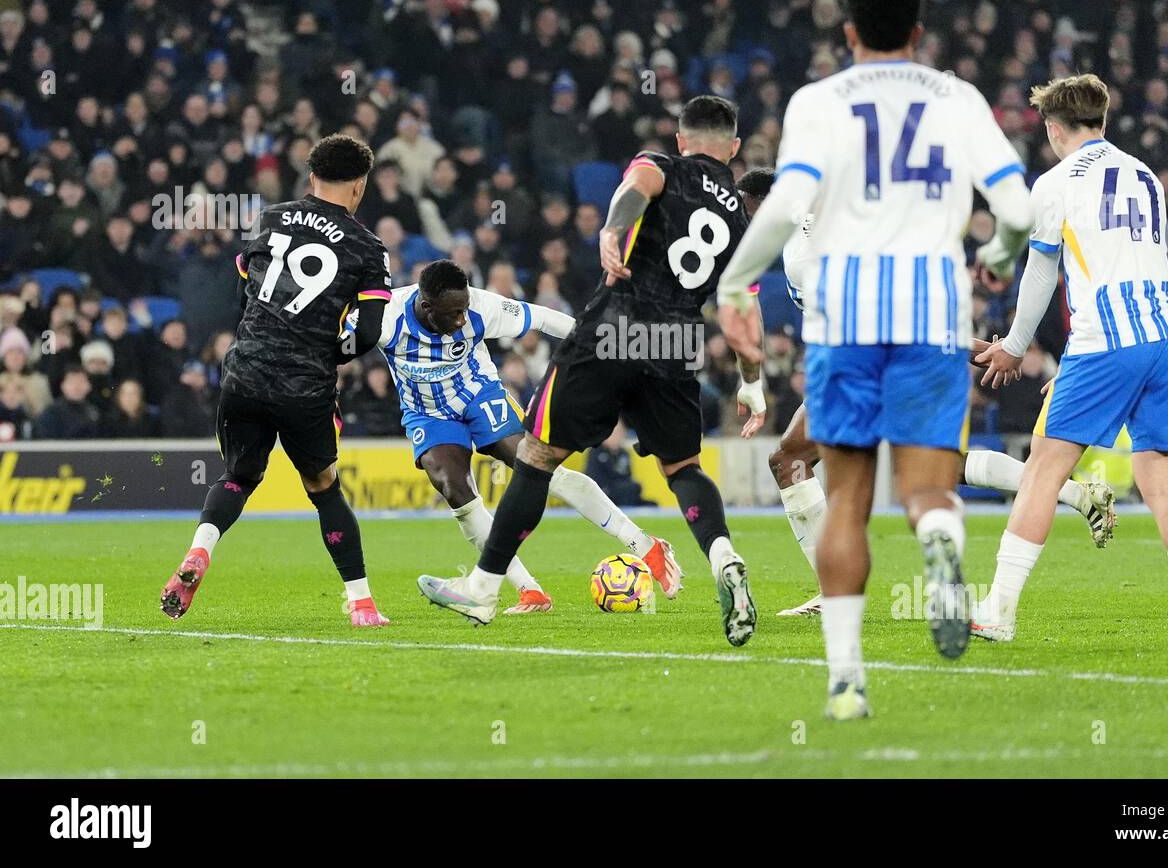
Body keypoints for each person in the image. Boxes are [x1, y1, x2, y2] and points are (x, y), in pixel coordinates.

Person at [716, 0, 1034, 719]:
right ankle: (944, 545)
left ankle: (847, 682)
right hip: (931, 314)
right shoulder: (957, 99)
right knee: (928, 487)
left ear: (849, 31)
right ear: (918, 33)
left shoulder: (818, 101)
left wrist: (734, 286)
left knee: (848, 501)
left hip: (845, 319)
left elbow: (786, 199)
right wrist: (996, 256)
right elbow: (1017, 207)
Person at [416, 96, 759, 647]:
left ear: (680, 139)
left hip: (612, 328)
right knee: (684, 469)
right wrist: (752, 380)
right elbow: (743, 310)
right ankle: (724, 556)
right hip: (673, 343)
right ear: (734, 149)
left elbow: (637, 186)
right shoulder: (741, 220)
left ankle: (483, 589)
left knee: (537, 458)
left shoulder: (663, 165)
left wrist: (610, 230)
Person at [736, 168, 1116, 622]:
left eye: (743, 210)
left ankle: (835, 589)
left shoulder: (803, 250)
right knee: (934, 466)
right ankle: (1077, 495)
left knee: (792, 461)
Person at [973, 73, 1168, 646]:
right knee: (1161, 482)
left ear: (1053, 129)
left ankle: (999, 612)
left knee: (1042, 470)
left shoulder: (1055, 182)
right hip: (1166, 336)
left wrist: (1013, 346)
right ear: (1103, 122)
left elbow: (1041, 270)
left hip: (1105, 340)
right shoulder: (1147, 175)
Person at [160, 134, 394, 627]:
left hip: (244, 372)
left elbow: (244, 287)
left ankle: (200, 552)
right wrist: (328, 353)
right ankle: (361, 602)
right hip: (303, 386)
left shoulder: (270, 218)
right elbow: (369, 332)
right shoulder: (367, 249)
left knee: (239, 476)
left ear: (312, 178)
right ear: (360, 187)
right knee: (324, 487)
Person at [372, 259, 677, 614]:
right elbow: (334, 340)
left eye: (464, 311)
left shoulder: (480, 307)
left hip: (480, 394)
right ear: (426, 307)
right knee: (454, 488)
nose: (461, 320)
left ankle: (644, 545)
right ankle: (530, 591)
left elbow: (544, 318)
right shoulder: (384, 316)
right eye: (453, 314)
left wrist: (598, 345)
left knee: (543, 469)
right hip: (426, 412)